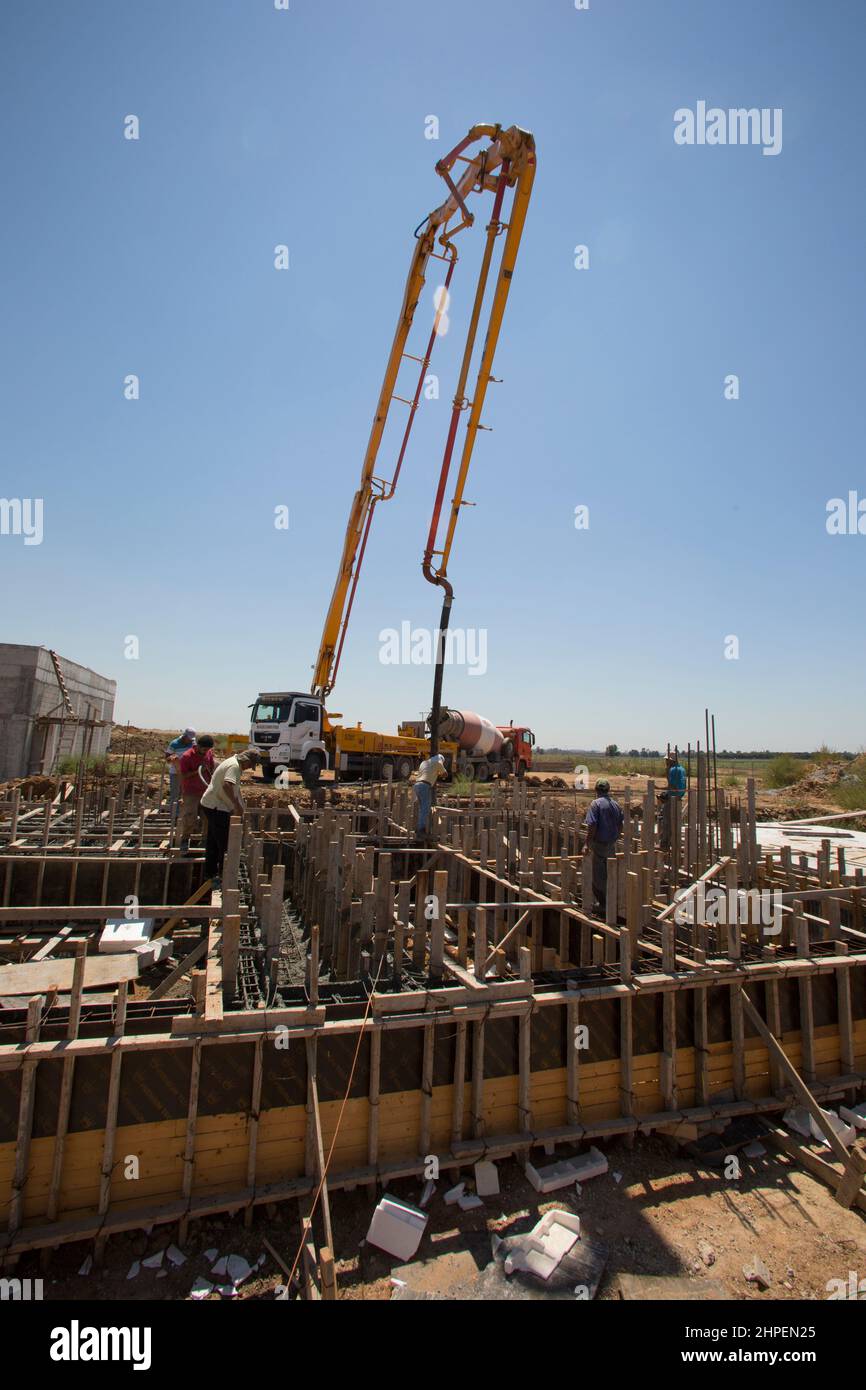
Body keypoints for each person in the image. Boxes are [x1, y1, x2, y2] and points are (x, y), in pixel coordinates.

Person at [200, 746, 262, 885]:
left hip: (210, 804)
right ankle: (224, 877)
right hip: (216, 807)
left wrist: (239, 805)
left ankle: (210, 873)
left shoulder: (232, 762)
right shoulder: (234, 767)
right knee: (224, 843)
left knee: (214, 840)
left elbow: (234, 788)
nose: (248, 768)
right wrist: (235, 806)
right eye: (250, 765)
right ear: (245, 760)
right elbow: (227, 785)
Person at [584, 779, 624, 915]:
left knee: (598, 876)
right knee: (609, 874)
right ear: (608, 790)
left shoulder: (595, 804)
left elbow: (592, 826)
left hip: (599, 844)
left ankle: (603, 904)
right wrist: (614, 838)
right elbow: (620, 826)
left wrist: (587, 844)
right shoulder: (616, 805)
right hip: (611, 845)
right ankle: (610, 902)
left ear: (596, 790)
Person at [177, 735, 216, 854]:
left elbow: (211, 768)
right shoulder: (187, 757)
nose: (205, 752)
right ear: (198, 746)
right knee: (190, 816)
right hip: (191, 792)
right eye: (204, 749)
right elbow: (183, 776)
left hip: (206, 790)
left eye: (207, 750)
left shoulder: (208, 753)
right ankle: (185, 839)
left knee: (207, 816)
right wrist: (198, 771)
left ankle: (204, 840)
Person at [413, 753, 447, 836]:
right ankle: (421, 830)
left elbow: (426, 773)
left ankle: (418, 828)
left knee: (422, 808)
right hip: (425, 786)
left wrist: (436, 773)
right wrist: (440, 774)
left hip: (417, 785)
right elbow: (445, 774)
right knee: (425, 808)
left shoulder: (424, 763)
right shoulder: (439, 761)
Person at [165, 727, 196, 817]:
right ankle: (174, 816)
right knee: (175, 794)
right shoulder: (174, 744)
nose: (190, 741)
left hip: (189, 773)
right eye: (188, 739)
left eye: (191, 739)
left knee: (188, 794)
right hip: (176, 773)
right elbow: (167, 758)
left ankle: (185, 814)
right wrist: (172, 759)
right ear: (184, 736)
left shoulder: (193, 743)